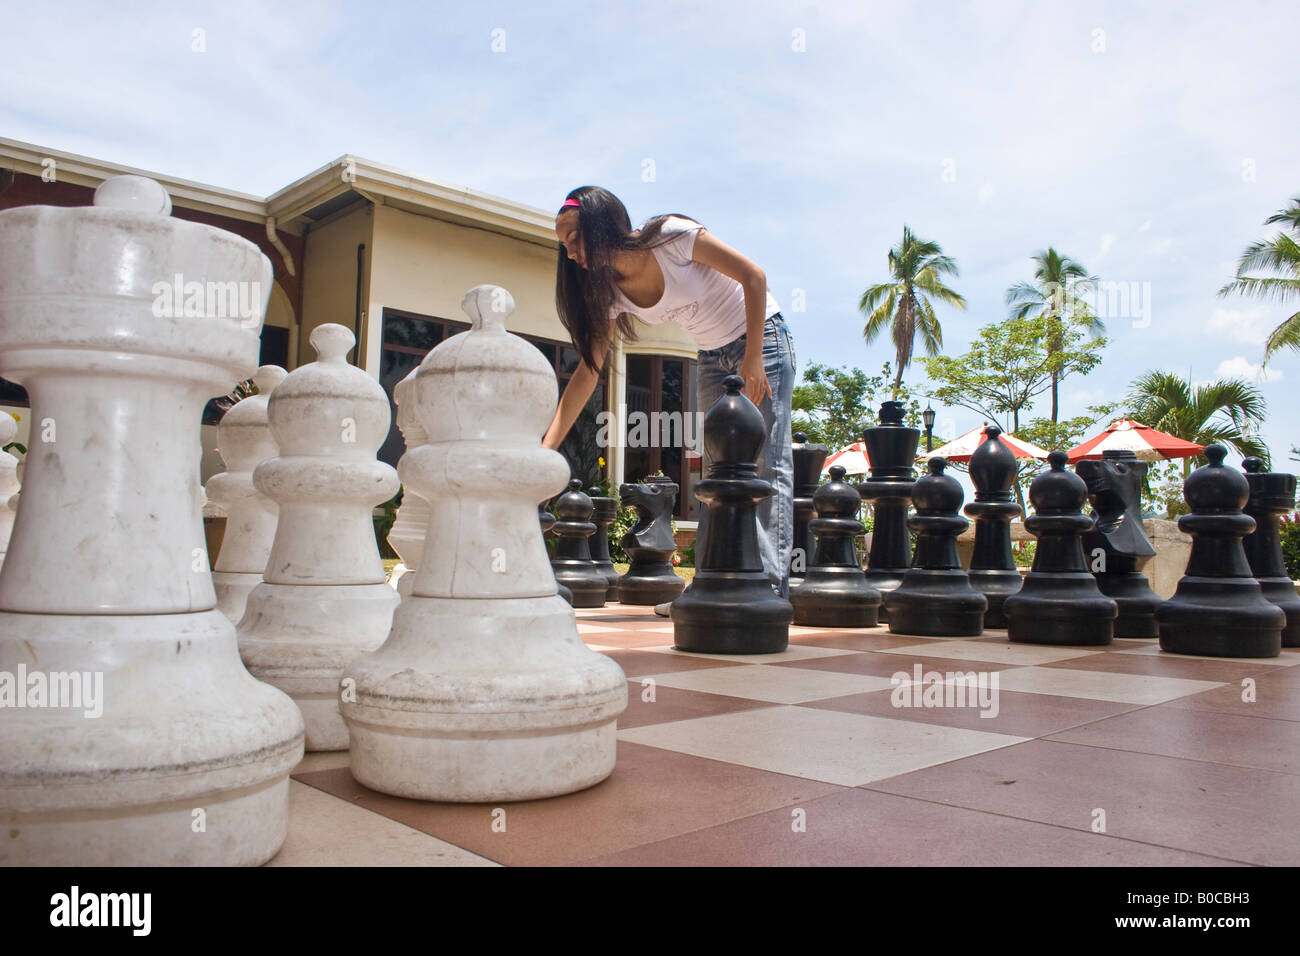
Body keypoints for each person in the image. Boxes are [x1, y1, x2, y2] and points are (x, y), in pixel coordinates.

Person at [542, 186, 796, 614]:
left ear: (602, 225)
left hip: (761, 340)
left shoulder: (671, 237)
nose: (569, 253)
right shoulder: (606, 292)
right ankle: (713, 588)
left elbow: (753, 275)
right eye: (563, 244)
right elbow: (588, 371)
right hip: (713, 358)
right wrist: (546, 449)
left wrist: (753, 357)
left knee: (764, 464)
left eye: (575, 239)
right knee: (717, 474)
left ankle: (767, 593)